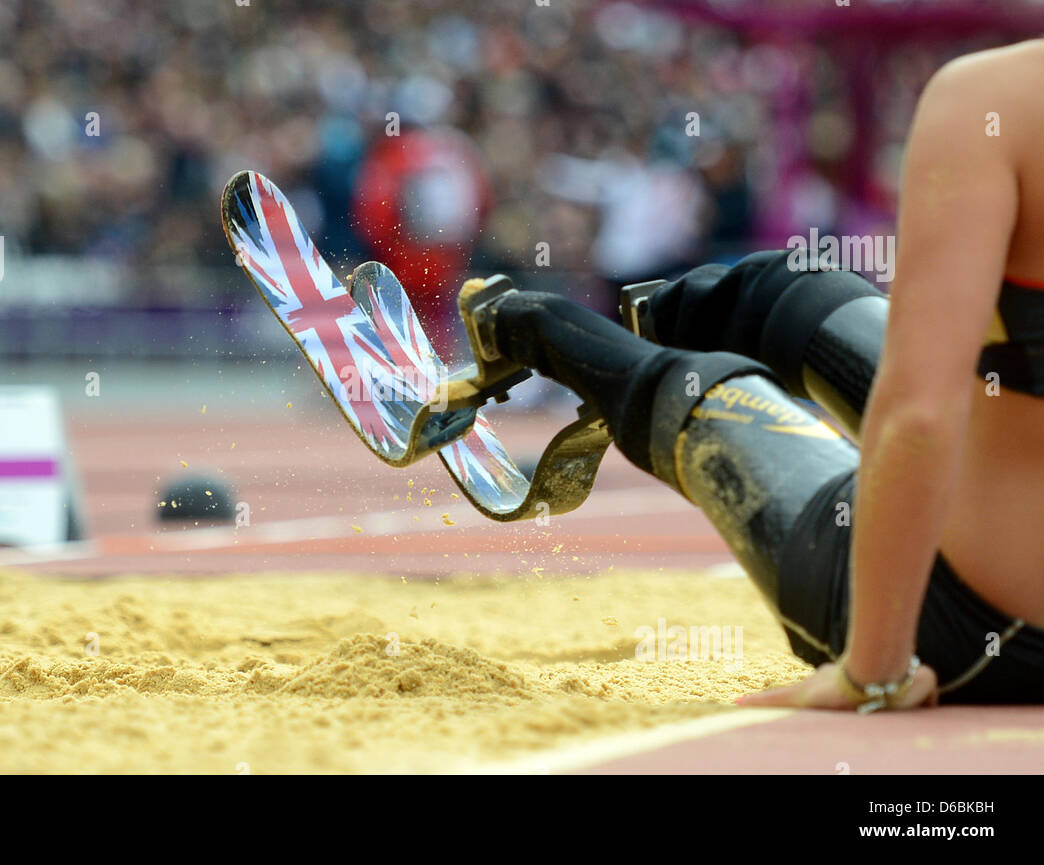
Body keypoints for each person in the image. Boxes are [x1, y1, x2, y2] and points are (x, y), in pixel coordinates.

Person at [444, 41, 1044, 710]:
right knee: (805, 298)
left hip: (976, 617)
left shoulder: (990, 98)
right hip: (996, 550)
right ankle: (633, 326)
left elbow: (919, 419)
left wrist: (875, 669)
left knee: (710, 392)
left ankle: (528, 328)